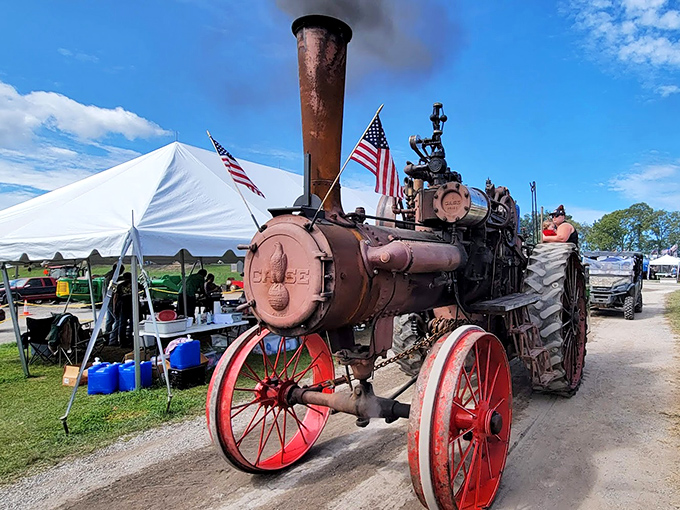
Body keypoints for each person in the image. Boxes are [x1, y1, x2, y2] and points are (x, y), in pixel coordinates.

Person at [109, 272, 134, 347]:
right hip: (132, 306)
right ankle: (131, 340)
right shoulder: (136, 284)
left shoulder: (120, 285)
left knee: (122, 324)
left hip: (122, 306)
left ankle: (122, 342)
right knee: (133, 324)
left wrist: (114, 308)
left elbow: (115, 297)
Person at [103, 264, 124, 335]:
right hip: (111, 301)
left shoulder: (108, 275)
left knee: (109, 320)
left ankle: (107, 335)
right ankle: (113, 338)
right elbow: (114, 291)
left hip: (106, 300)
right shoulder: (112, 278)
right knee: (118, 320)